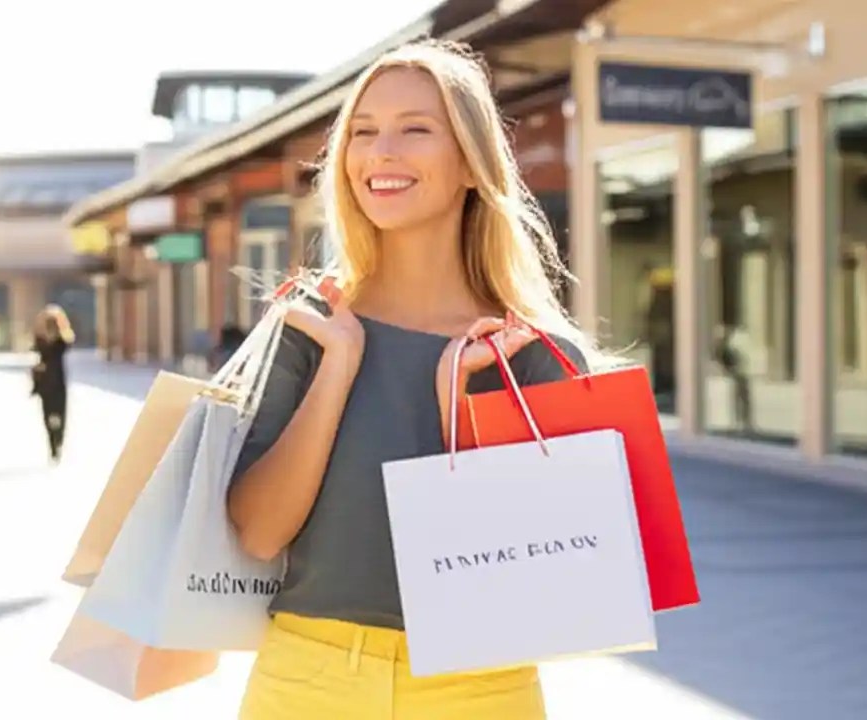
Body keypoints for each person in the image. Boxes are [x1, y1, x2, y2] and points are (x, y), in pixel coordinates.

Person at [227, 39, 604, 720]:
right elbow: (258, 534)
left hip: (483, 689)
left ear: (470, 162)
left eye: (416, 129)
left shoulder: (538, 353)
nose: (382, 153)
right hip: (307, 681)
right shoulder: (310, 326)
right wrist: (339, 368)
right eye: (363, 132)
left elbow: (561, 584)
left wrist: (459, 417)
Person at [31, 304, 75, 463]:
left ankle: (57, 443)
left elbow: (68, 340)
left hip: (56, 381)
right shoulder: (41, 339)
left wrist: (60, 323)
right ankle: (53, 445)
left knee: (58, 414)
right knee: (49, 415)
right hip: (47, 382)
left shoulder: (61, 341)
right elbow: (36, 346)